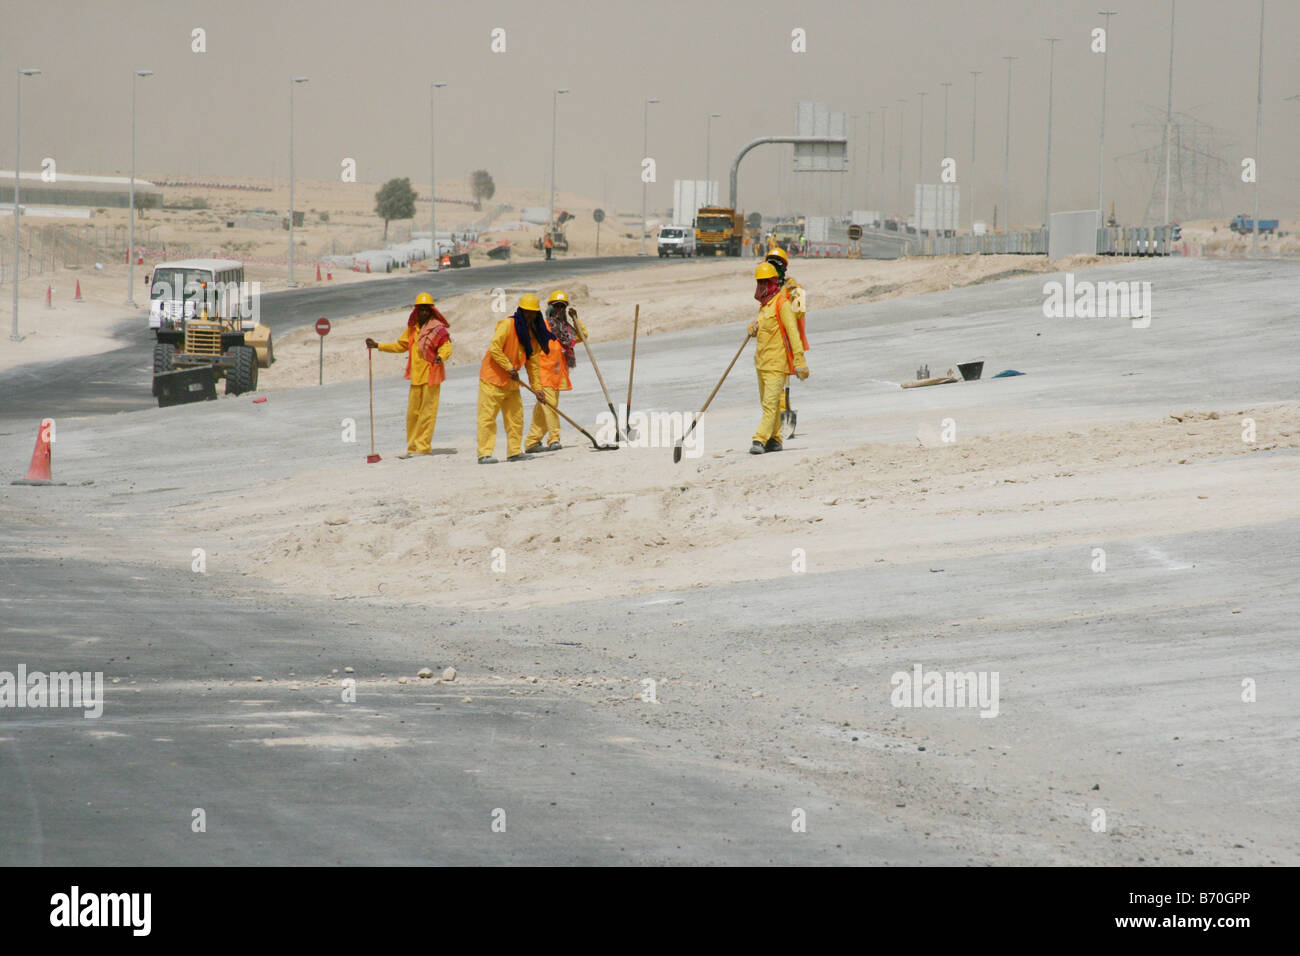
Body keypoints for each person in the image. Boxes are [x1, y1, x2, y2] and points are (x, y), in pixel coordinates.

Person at [366, 292, 452, 458]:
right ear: (417, 311)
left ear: (432, 311)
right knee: (413, 414)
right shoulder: (413, 331)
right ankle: (413, 447)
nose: (424, 313)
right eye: (421, 310)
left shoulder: (437, 329)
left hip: (431, 376)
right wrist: (378, 345)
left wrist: (441, 356)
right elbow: (400, 345)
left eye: (427, 310)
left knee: (427, 413)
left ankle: (423, 447)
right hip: (416, 377)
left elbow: (446, 346)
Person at [477, 293, 554, 463]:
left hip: (512, 383)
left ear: (537, 314)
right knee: (487, 418)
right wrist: (508, 367)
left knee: (516, 418)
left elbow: (533, 365)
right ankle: (484, 454)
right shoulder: (507, 325)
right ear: (520, 311)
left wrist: (538, 389)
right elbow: (495, 348)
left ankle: (514, 452)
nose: (529, 316)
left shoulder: (533, 335)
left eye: (532, 313)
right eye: (526, 312)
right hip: (492, 379)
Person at [747, 261, 808, 455]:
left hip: (777, 363)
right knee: (768, 404)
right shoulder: (764, 307)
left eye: (766, 282)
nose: (763, 286)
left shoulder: (783, 305)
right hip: (762, 363)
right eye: (760, 282)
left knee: (770, 404)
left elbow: (793, 334)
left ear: (774, 281)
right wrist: (752, 329)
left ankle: (759, 439)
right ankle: (775, 439)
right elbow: (762, 328)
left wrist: (800, 362)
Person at [526, 290, 589, 453]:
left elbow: (583, 336)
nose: (560, 310)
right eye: (557, 306)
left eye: (563, 307)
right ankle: (554, 439)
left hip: (557, 375)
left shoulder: (566, 329)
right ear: (550, 308)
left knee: (543, 410)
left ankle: (532, 442)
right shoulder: (543, 326)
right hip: (543, 374)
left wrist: (576, 320)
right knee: (551, 407)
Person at [764, 244, 810, 432]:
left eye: (777, 264)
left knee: (783, 379)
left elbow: (799, 313)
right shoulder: (766, 289)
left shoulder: (795, 288)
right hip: (772, 342)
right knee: (777, 380)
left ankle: (783, 414)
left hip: (789, 342)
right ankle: (779, 414)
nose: (774, 268)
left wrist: (794, 296)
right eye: (771, 264)